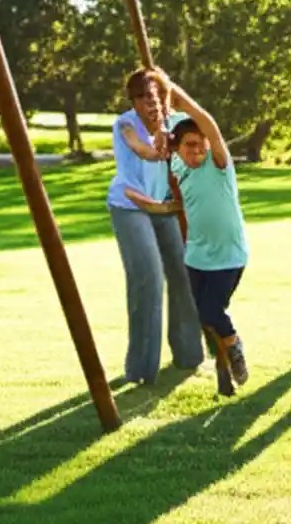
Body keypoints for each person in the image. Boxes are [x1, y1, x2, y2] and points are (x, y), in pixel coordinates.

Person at [106, 68, 203, 386]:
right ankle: (140, 370)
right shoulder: (125, 124)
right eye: (145, 97)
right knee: (147, 276)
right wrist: (159, 145)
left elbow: (195, 145)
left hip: (163, 206)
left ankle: (189, 356)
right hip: (130, 206)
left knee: (184, 273)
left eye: (157, 95)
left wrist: (170, 131)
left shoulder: (172, 122)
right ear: (133, 101)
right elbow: (143, 150)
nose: (152, 102)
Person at [164, 79, 250, 397]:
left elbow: (208, 126)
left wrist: (178, 93)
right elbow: (166, 127)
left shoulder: (218, 165)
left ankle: (234, 345)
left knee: (213, 311)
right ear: (178, 149)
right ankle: (225, 365)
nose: (197, 150)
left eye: (200, 144)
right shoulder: (175, 164)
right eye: (189, 146)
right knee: (204, 316)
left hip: (229, 256)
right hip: (197, 257)